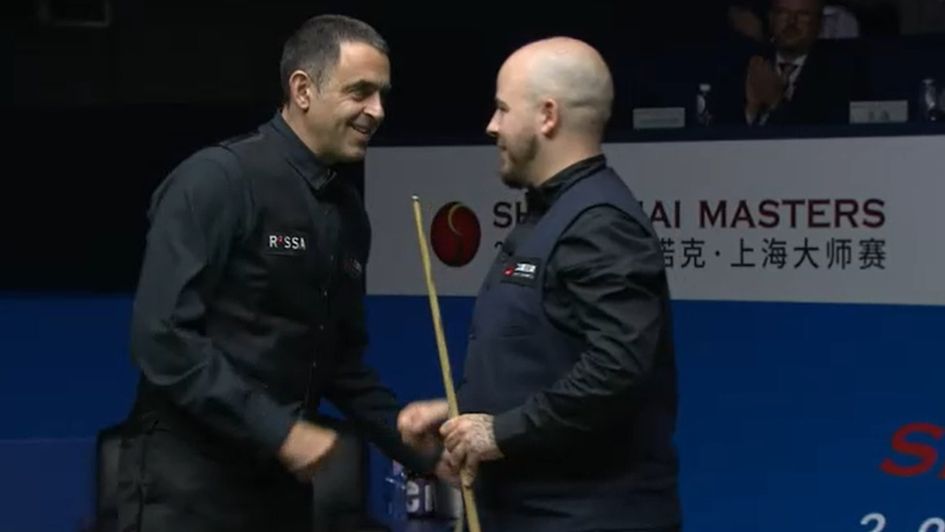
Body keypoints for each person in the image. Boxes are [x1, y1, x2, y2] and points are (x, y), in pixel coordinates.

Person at [116, 14, 444, 532]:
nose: (377, 111)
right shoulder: (217, 180)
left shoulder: (348, 214)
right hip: (186, 491)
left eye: (382, 95)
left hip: (282, 490)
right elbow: (162, 338)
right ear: (303, 90)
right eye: (360, 92)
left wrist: (409, 442)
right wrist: (280, 430)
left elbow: (341, 364)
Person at [399, 37, 682, 531]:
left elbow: (617, 372)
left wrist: (500, 432)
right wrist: (462, 414)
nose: (491, 126)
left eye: (503, 109)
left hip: (588, 518)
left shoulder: (600, 223)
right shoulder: (550, 214)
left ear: (547, 116)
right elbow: (548, 363)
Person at [718, 0, 867, 125]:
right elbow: (718, 127)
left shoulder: (842, 73)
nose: (791, 22)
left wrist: (776, 103)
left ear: (819, 23)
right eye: (783, 13)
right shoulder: (744, 65)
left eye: (803, 15)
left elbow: (824, 134)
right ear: (771, 18)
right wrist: (751, 110)